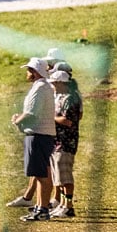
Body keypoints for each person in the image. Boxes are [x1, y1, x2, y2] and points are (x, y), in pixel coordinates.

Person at [10, 57, 58, 221]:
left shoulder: (40, 88)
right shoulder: (44, 87)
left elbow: (32, 112)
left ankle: (43, 209)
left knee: (42, 175)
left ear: (35, 72)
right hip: (42, 134)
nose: (27, 73)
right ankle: (39, 206)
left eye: (29, 70)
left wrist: (17, 120)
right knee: (40, 173)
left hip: (39, 135)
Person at [48, 68, 82, 218]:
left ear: (62, 83)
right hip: (58, 141)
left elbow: (68, 121)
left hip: (66, 142)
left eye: (55, 83)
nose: (53, 85)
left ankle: (69, 206)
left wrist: (51, 117)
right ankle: (62, 204)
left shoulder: (70, 99)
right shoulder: (60, 96)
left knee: (65, 176)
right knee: (59, 177)